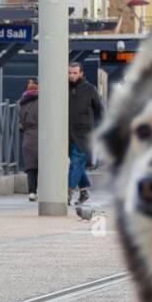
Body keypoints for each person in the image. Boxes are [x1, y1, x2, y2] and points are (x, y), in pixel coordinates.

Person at [67, 61, 103, 206]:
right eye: (69, 72)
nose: (71, 76)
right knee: (76, 164)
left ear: (81, 73)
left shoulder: (89, 89)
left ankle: (67, 192)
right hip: (66, 132)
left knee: (77, 161)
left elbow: (100, 110)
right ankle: (84, 191)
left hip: (83, 133)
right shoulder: (63, 88)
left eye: (75, 73)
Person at [18, 78, 40, 203]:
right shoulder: (46, 99)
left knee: (31, 167)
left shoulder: (22, 102)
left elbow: (21, 123)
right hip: (45, 135)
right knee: (45, 166)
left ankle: (32, 192)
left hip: (29, 137)